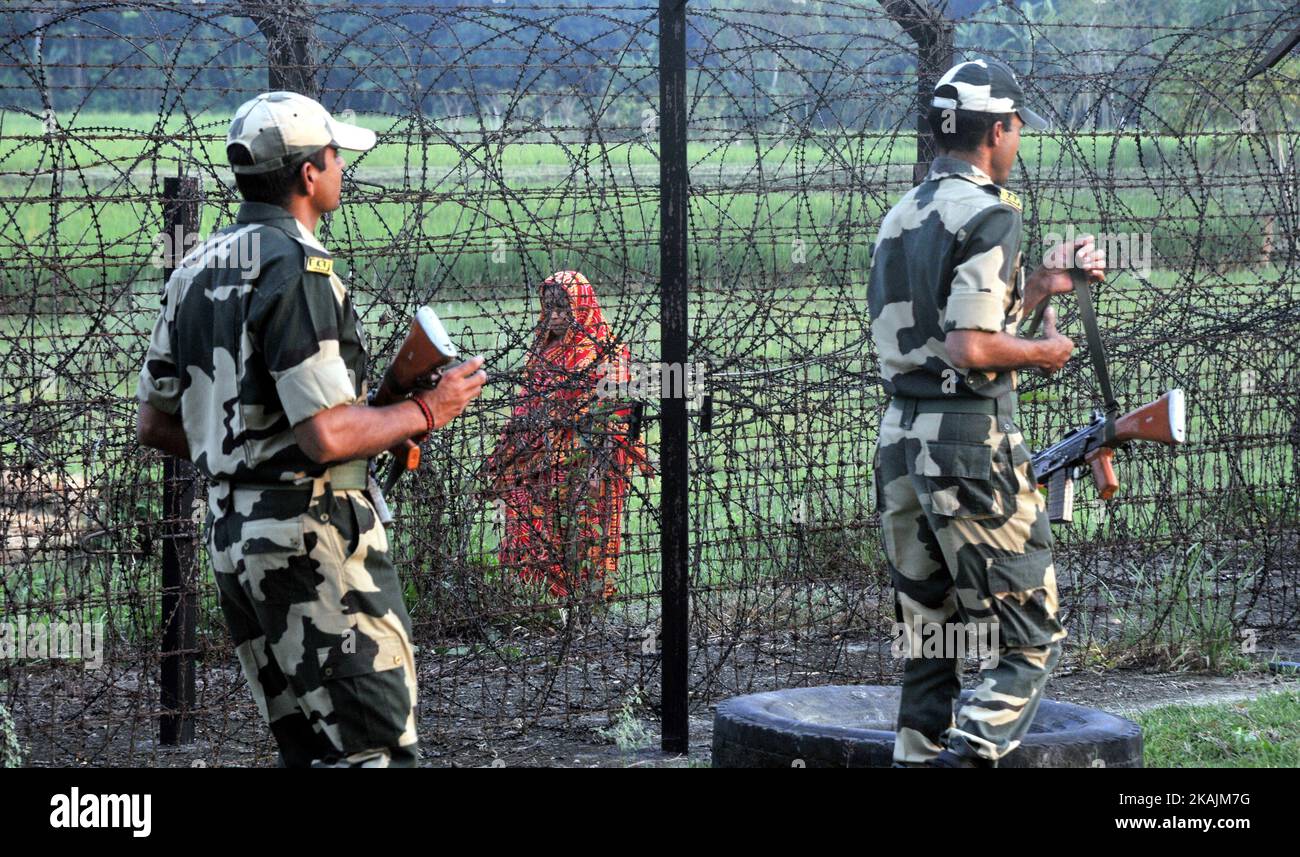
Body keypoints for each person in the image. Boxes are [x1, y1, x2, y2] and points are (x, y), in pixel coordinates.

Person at [135, 91, 486, 767]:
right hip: (311, 540)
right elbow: (324, 435)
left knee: (308, 748)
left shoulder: (194, 270)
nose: (340, 168)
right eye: (334, 156)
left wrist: (244, 453)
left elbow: (156, 421)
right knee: (374, 747)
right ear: (307, 175)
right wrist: (426, 410)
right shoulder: (298, 269)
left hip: (236, 540)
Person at [867, 59, 1106, 767]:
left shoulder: (906, 210)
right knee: (1029, 635)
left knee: (929, 633)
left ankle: (918, 756)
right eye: (1017, 127)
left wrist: (1034, 285)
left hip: (903, 441)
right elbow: (971, 345)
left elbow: (935, 331)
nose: (1019, 137)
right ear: (999, 129)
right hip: (969, 441)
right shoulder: (993, 213)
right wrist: (1047, 350)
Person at [483, 271, 652, 603]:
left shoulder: (605, 352)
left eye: (564, 308)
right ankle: (538, 602)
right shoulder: (544, 349)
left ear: (582, 306)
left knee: (583, 538)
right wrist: (508, 451)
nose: (556, 316)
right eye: (549, 308)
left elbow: (616, 417)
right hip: (539, 460)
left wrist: (595, 468)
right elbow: (526, 406)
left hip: (585, 466)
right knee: (529, 526)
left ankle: (583, 605)